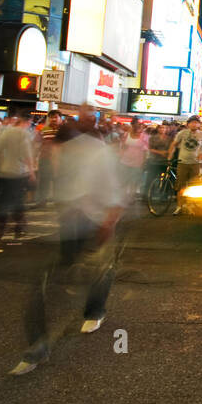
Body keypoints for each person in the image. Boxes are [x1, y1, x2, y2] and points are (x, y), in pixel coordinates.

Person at [11, 105, 126, 375]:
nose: (49, 151)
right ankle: (39, 344)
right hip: (70, 221)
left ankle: (94, 312)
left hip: (95, 220)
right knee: (48, 281)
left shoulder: (97, 153)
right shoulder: (64, 154)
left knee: (98, 271)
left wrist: (108, 223)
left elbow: (114, 195)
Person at [0, 112, 37, 246]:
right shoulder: (24, 134)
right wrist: (32, 172)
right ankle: (19, 224)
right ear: (27, 122)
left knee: (2, 201)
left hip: (3, 172)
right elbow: (27, 154)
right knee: (17, 199)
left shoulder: (6, 132)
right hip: (18, 172)